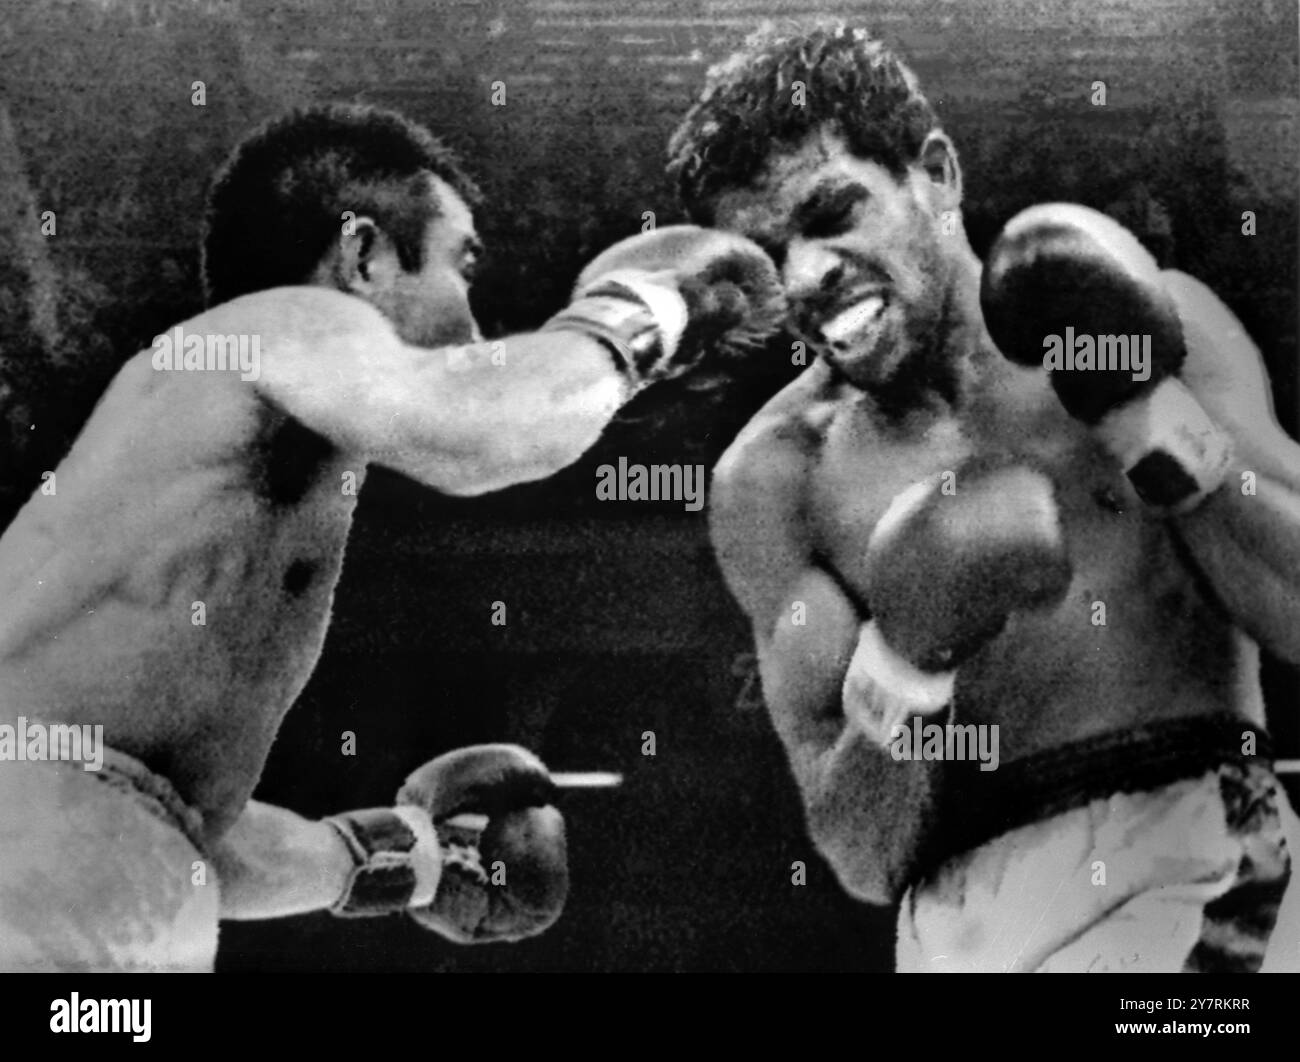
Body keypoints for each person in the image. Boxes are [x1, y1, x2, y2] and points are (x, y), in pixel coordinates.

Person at [0, 103, 783, 971]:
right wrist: (642, 315)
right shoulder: (285, 321)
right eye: (463, 264)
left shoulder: (216, 500)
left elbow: (173, 837)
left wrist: (410, 858)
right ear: (363, 254)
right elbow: (483, 427)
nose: (476, 327)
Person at [673, 25, 1300, 972]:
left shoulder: (1140, 323)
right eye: (769, 252)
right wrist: (904, 661)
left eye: (832, 213)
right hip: (954, 929)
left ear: (935, 170)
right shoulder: (776, 481)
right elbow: (859, 855)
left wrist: (1146, 420)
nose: (807, 273)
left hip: (1197, 863)